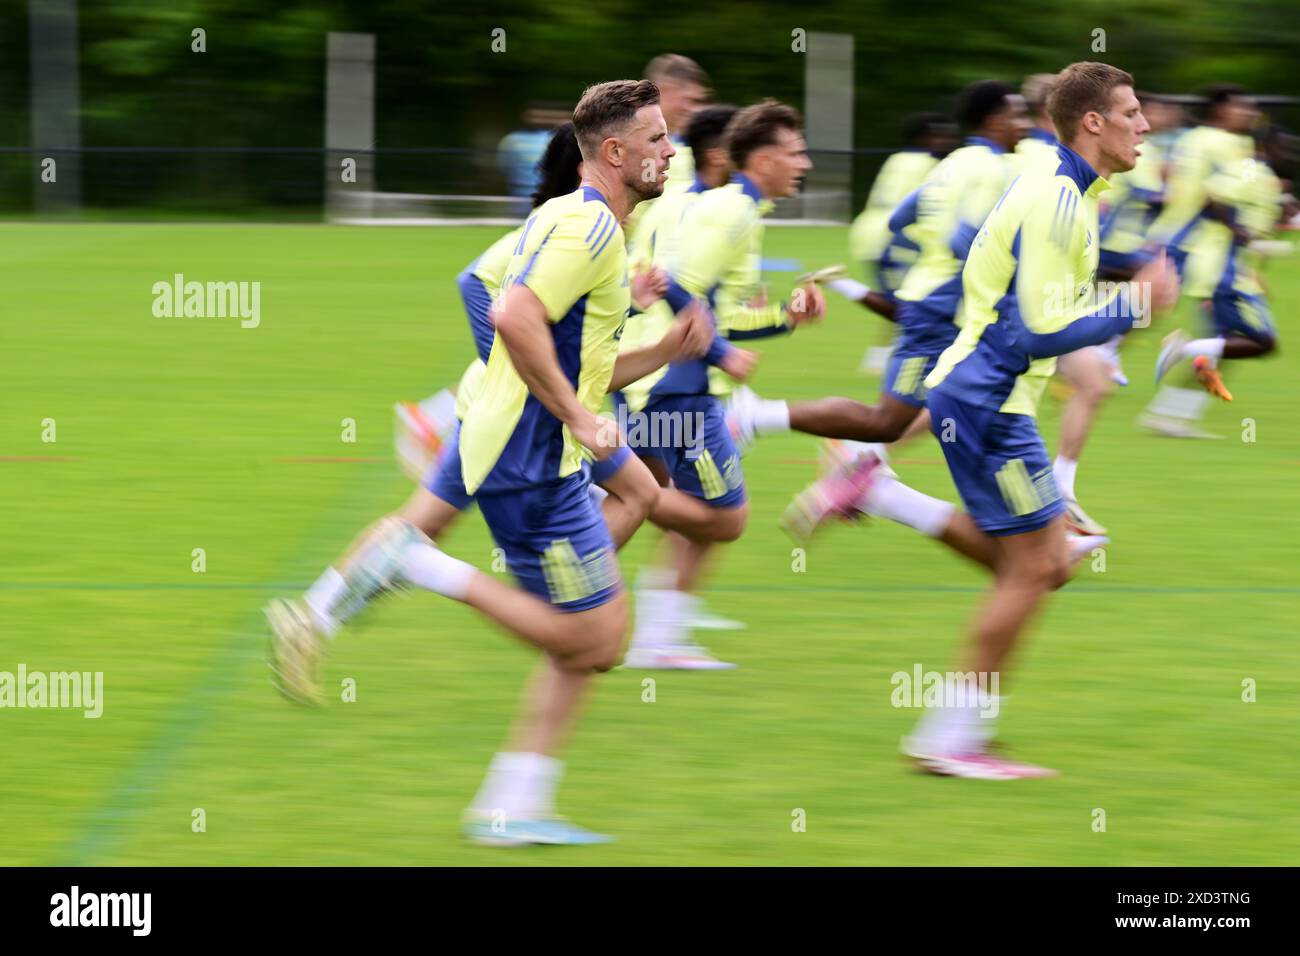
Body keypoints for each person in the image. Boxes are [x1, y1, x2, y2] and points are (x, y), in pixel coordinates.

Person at [270, 79, 690, 846]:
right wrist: (567, 409)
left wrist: (651, 348)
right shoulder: (588, 230)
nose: (672, 151)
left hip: (516, 429)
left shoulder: (575, 218)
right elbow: (511, 312)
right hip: (533, 452)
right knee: (596, 645)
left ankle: (513, 801)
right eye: (660, 139)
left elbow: (552, 338)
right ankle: (427, 569)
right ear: (618, 151)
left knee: (639, 490)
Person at [905, 61, 1178, 778]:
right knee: (1035, 570)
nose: (1144, 125)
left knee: (1041, 563)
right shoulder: (1059, 198)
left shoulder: (1062, 192)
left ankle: (959, 728)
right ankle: (947, 739)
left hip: (981, 398)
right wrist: (1135, 303)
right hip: (989, 403)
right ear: (1093, 122)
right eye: (1130, 113)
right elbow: (1034, 331)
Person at [723, 82, 1029, 538]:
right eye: (1017, 114)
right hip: (946, 308)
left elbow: (901, 217)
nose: (1023, 124)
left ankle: (867, 472)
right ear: (994, 121)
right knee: (890, 419)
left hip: (940, 301)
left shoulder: (954, 163)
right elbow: (967, 238)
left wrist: (924, 258)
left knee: (969, 401)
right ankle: (760, 417)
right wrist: (1007, 270)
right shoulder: (995, 169)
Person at [618, 99, 827, 668]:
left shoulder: (739, 211)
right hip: (672, 386)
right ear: (761, 160)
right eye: (795, 152)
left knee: (697, 512)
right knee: (723, 515)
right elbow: (670, 286)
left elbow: (725, 312)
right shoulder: (732, 213)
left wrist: (787, 316)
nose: (804, 162)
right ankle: (652, 634)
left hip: (661, 382)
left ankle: (660, 638)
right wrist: (719, 352)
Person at [1140, 84, 1260, 437]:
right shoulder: (1226, 144)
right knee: (1232, 336)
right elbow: (1217, 195)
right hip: (1203, 249)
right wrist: (1239, 230)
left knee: (1226, 334)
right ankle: (1171, 405)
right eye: (1242, 106)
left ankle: (1171, 414)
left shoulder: (1191, 139)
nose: (1249, 112)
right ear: (1220, 110)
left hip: (1177, 241)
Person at [1154, 123, 1295, 404]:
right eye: (1284, 146)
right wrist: (1238, 230)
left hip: (1228, 270)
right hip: (1223, 270)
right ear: (1266, 146)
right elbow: (1213, 199)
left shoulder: (1263, 177)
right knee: (1263, 342)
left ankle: (1173, 416)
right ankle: (1183, 350)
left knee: (1225, 345)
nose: (1289, 153)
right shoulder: (1251, 170)